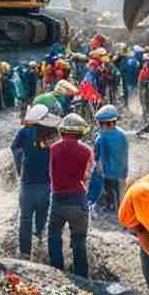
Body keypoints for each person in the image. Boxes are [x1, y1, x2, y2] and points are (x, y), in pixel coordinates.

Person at [12, 104, 60, 259]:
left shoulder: (25, 132)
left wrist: (21, 163)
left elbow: (14, 148)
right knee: (42, 213)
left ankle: (25, 252)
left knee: (25, 218)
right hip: (46, 182)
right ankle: (39, 238)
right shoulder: (52, 134)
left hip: (27, 182)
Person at [49, 113, 94, 277]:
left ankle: (56, 272)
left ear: (62, 131)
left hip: (58, 199)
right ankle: (82, 276)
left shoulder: (53, 148)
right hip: (78, 199)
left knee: (54, 235)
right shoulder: (87, 151)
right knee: (79, 240)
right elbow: (88, 175)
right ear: (81, 132)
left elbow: (51, 172)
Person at [93, 105, 129, 213]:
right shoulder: (122, 134)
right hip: (121, 171)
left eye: (102, 124)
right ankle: (119, 208)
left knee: (109, 189)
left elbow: (96, 154)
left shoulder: (101, 137)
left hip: (108, 171)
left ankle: (111, 205)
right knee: (118, 191)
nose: (101, 126)